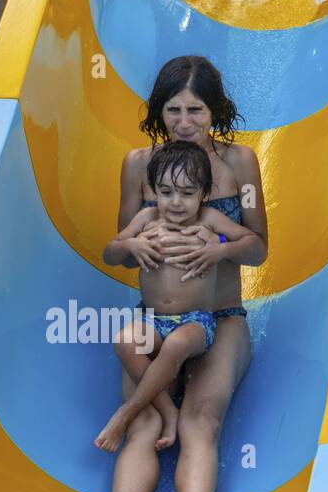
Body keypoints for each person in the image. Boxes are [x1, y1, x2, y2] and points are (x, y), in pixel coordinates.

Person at [74, 55, 268, 492]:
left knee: (201, 421)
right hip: (153, 319)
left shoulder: (240, 165)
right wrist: (135, 247)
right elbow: (117, 246)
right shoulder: (139, 165)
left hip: (219, 317)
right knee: (141, 426)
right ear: (159, 112)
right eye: (173, 110)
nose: (185, 122)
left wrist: (218, 251)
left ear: (215, 111)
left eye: (196, 110)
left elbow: (258, 250)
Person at [95, 141, 259, 454]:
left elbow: (251, 240)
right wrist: (131, 246)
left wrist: (220, 245)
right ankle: (169, 412)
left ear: (204, 194)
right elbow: (110, 252)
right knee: (125, 342)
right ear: (154, 191)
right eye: (167, 192)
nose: (176, 202)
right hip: (153, 320)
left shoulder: (209, 219)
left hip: (195, 322)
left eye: (187, 193)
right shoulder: (146, 219)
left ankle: (126, 412)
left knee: (175, 345)